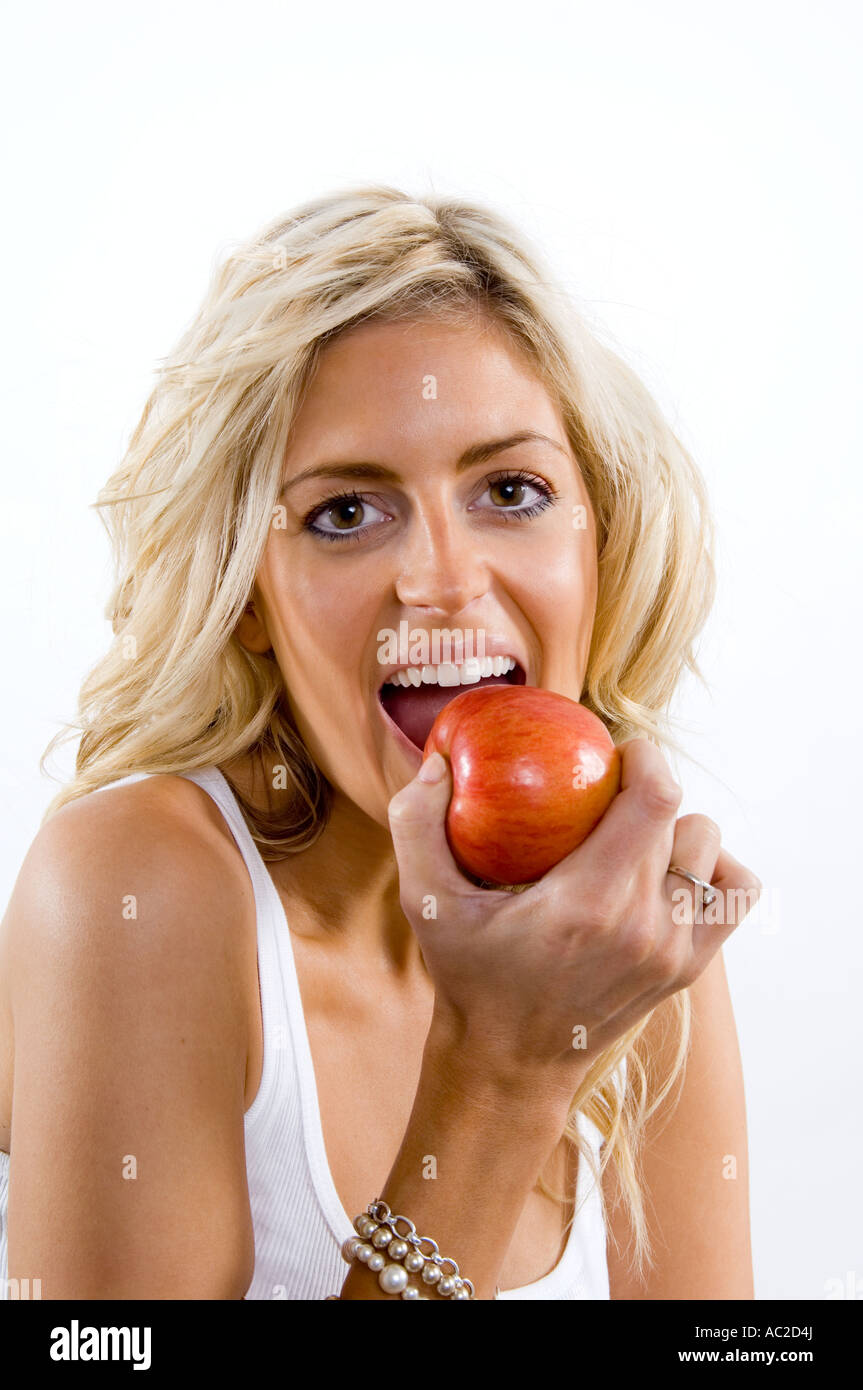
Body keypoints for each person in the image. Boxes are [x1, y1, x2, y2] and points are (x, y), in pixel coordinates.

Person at [0, 185, 761, 1300]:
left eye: (511, 489)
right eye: (345, 512)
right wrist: (501, 1075)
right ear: (246, 597)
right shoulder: (135, 885)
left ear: (598, 546)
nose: (443, 579)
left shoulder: (628, 928)